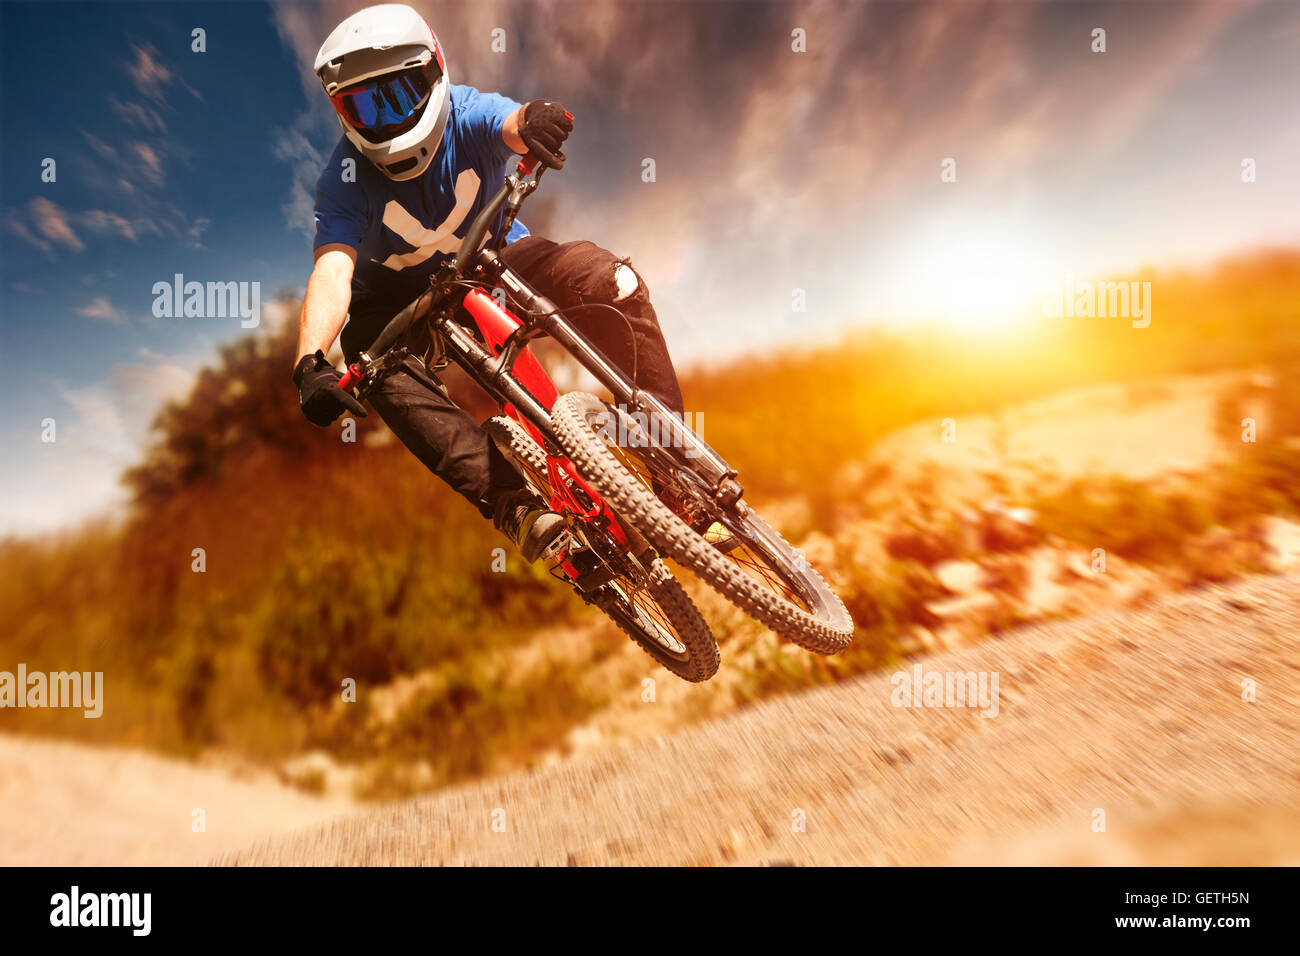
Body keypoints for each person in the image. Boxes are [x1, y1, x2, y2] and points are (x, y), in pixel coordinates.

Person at [292, 3, 685, 561]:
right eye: (361, 106)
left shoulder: (463, 111)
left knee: (613, 282)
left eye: (398, 95)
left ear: (434, 73)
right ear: (340, 113)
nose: (383, 119)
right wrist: (309, 363)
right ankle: (519, 511)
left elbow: (510, 123)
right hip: (399, 305)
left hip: (496, 253)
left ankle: (676, 463)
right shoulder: (343, 181)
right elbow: (333, 269)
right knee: (377, 372)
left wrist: (535, 120)